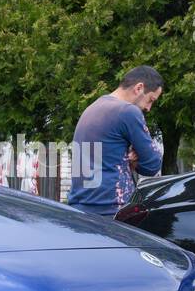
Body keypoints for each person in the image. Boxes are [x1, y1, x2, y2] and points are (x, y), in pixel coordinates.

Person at [68, 66, 163, 215]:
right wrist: (135, 159)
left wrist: (127, 161)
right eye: (150, 100)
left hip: (81, 208)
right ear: (139, 88)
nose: (148, 108)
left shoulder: (92, 109)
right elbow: (152, 165)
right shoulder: (127, 111)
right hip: (110, 210)